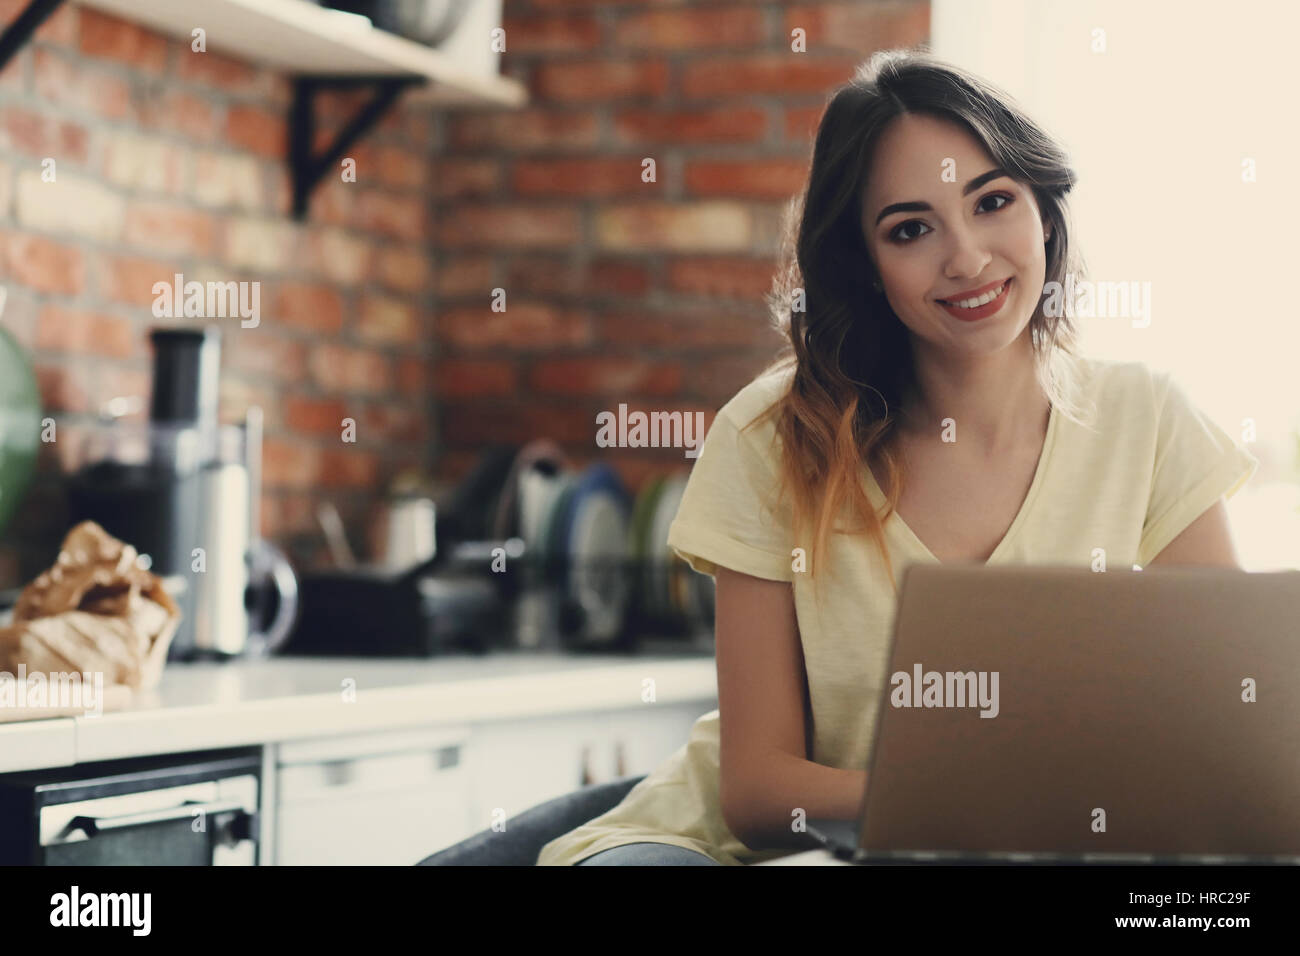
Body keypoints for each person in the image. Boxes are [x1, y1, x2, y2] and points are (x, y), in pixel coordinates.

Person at [537, 48, 1257, 867]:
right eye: (911, 228)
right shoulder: (771, 439)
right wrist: (988, 801)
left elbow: (1224, 735)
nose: (967, 258)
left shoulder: (1148, 423)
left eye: (992, 202)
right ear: (868, 267)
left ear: (1045, 214)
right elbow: (760, 795)